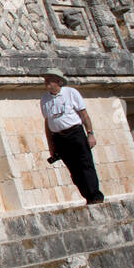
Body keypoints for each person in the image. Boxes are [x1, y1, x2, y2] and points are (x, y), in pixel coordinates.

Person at [40, 68, 104, 204]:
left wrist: (90, 134)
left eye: (49, 80)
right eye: (45, 80)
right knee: (74, 170)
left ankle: (96, 196)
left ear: (58, 81)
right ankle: (87, 196)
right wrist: (51, 146)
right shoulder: (44, 99)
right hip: (59, 137)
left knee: (85, 164)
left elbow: (84, 114)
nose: (46, 83)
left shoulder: (71, 93)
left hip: (75, 133)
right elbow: (47, 123)